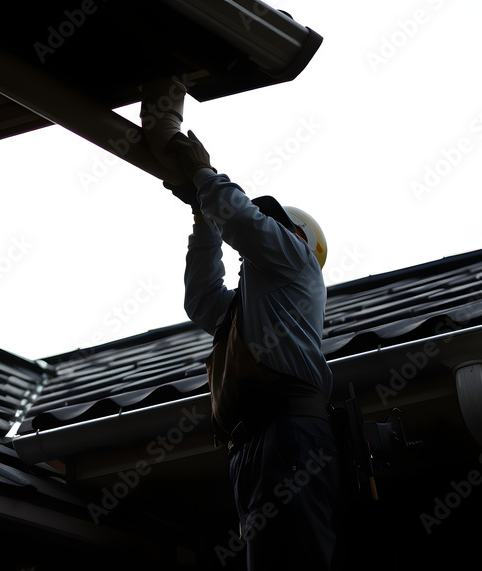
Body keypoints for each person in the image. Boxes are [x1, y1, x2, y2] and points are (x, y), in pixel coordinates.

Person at [141, 86, 338, 569]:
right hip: (256, 443)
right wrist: (202, 216)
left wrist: (206, 175)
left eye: (278, 223)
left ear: (297, 240)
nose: (266, 227)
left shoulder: (297, 262)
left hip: (288, 429)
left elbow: (245, 224)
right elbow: (202, 298)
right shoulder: (249, 311)